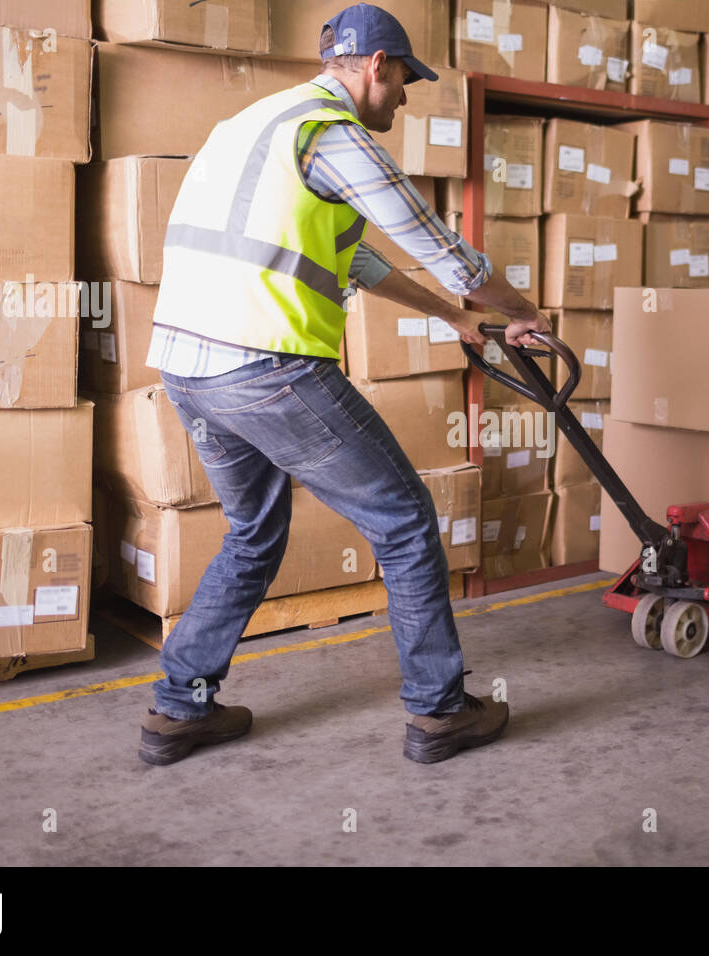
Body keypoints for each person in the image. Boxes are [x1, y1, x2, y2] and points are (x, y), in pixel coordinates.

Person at [137, 2, 549, 766]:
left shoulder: (253, 126)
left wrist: (458, 321)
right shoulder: (333, 135)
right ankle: (439, 711)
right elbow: (440, 246)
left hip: (189, 372)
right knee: (403, 517)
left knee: (255, 531)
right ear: (376, 66)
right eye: (402, 81)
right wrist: (521, 311)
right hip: (266, 367)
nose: (403, 97)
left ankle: (179, 707)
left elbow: (354, 261)